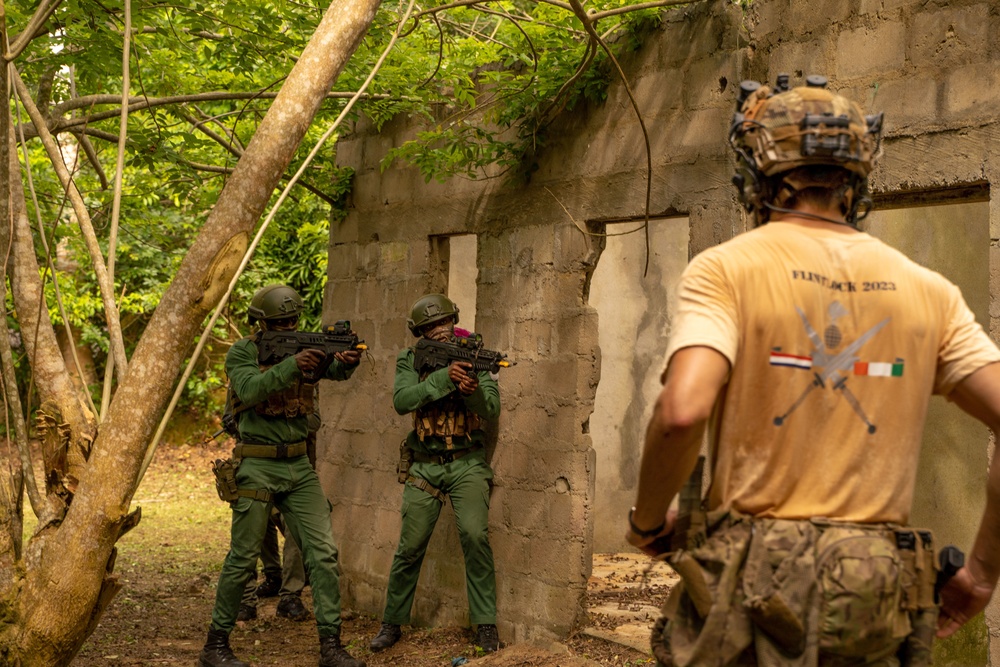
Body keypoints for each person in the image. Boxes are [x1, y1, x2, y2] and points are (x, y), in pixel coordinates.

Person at [626, 74, 1000, 666]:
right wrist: (980, 573)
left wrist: (647, 522)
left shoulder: (728, 269)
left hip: (749, 592)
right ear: (857, 178)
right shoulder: (929, 290)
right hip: (875, 595)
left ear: (757, 173)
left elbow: (682, 411)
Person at [199, 284, 366, 667]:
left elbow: (331, 371)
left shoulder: (302, 348)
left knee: (323, 554)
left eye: (292, 320)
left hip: (298, 465)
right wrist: (294, 363)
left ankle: (331, 645)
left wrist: (343, 362)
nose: (288, 326)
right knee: (242, 558)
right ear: (262, 324)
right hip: (256, 462)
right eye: (280, 323)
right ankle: (215, 646)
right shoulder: (244, 352)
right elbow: (250, 388)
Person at [369, 294, 502, 654]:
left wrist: (470, 390)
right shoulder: (411, 359)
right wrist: (443, 378)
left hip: (467, 462)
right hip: (424, 464)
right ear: (420, 333)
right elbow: (402, 400)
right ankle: (391, 622)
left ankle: (485, 624)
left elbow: (491, 408)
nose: (439, 332)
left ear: (454, 322)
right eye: (430, 327)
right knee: (410, 548)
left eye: (444, 323)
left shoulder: (475, 353)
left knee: (475, 537)